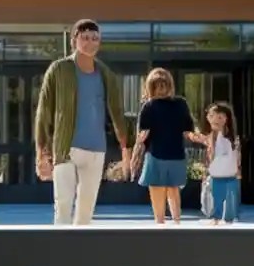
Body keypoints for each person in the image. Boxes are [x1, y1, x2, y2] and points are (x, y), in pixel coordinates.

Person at [34, 19, 130, 225]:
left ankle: (79, 255)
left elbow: (117, 112)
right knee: (63, 205)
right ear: (74, 40)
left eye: (95, 38)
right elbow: (44, 112)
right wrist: (41, 152)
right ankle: (60, 253)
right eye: (85, 38)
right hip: (66, 148)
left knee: (86, 210)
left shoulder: (106, 74)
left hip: (96, 150)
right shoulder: (59, 70)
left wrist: (125, 148)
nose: (90, 42)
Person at [131, 68, 194, 224]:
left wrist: (203, 140)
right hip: (155, 154)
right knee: (157, 189)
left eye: (163, 85)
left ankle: (176, 222)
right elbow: (142, 134)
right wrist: (135, 155)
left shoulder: (180, 104)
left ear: (169, 86)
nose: (161, 89)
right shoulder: (149, 106)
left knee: (173, 189)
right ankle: (160, 224)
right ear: (151, 87)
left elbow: (188, 130)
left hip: (175, 154)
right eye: (157, 86)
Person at [191, 102, 241, 224]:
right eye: (212, 116)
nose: (215, 120)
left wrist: (239, 172)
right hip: (216, 175)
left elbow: (237, 157)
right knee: (216, 198)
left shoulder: (231, 138)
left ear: (226, 119)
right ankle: (216, 218)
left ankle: (228, 219)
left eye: (220, 117)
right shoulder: (211, 137)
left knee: (230, 201)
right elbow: (202, 143)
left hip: (230, 175)